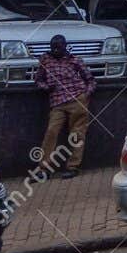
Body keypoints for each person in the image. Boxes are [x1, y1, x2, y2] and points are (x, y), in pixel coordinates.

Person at [33, 35, 95, 179]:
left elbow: (90, 79)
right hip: (57, 102)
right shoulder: (45, 60)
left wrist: (86, 94)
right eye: (53, 47)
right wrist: (46, 87)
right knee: (51, 132)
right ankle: (44, 168)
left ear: (65, 47)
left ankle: (73, 166)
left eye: (58, 47)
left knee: (78, 133)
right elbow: (38, 79)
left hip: (77, 98)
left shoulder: (75, 60)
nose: (55, 50)